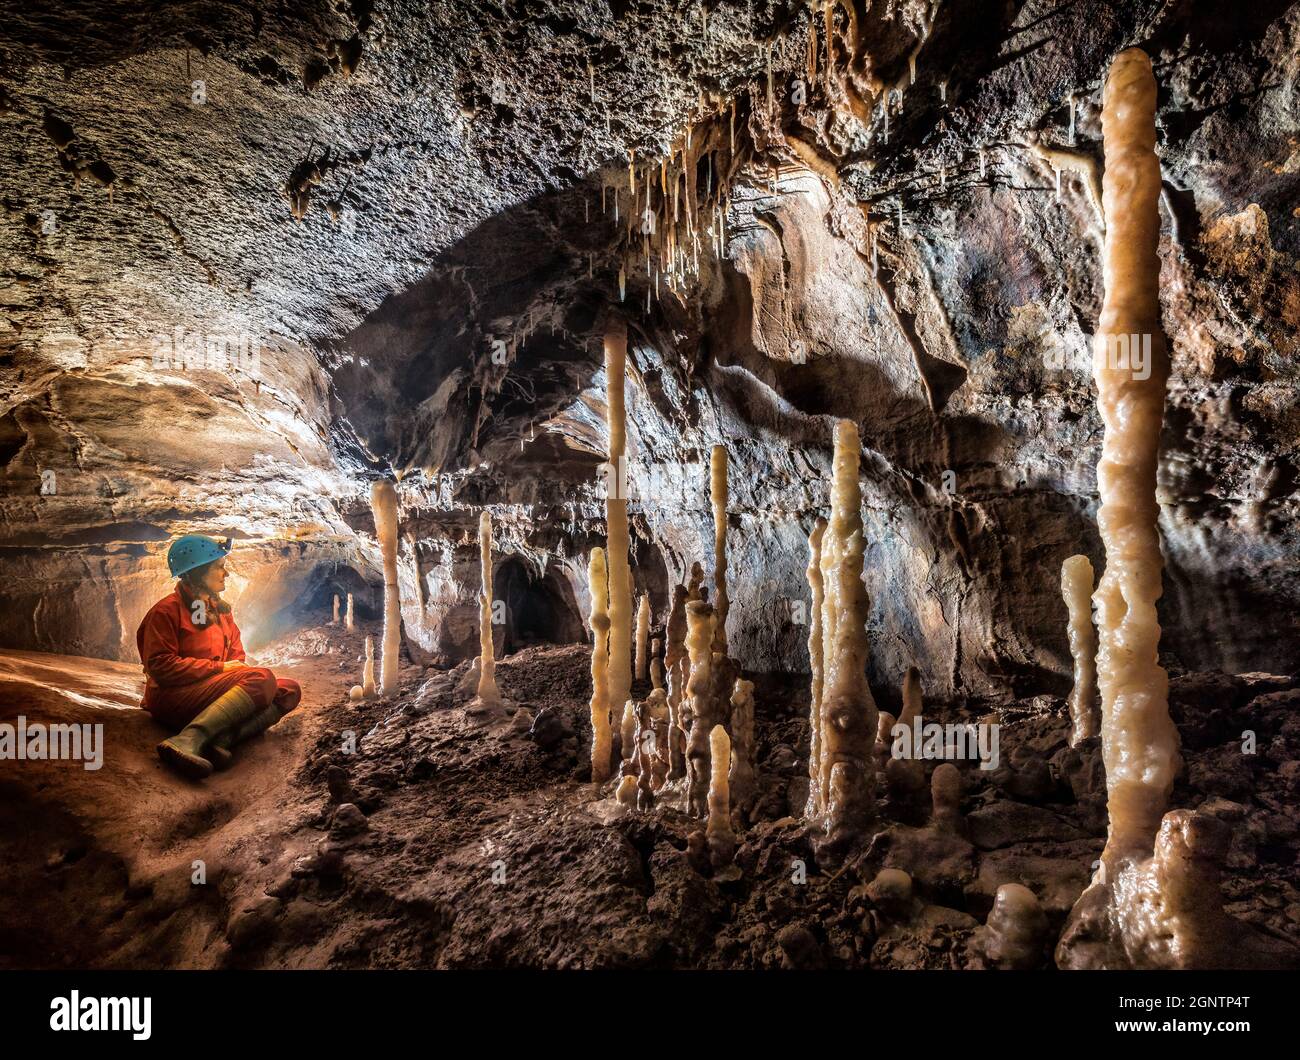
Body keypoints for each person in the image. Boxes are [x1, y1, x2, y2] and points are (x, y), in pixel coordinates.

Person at [138, 534, 301, 779]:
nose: (226, 573)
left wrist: (232, 672)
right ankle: (188, 740)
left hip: (208, 694)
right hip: (172, 697)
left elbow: (237, 657)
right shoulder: (166, 612)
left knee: (288, 690)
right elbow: (160, 666)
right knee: (262, 678)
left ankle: (219, 740)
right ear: (197, 573)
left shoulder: (220, 612)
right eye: (219, 567)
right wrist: (220, 669)